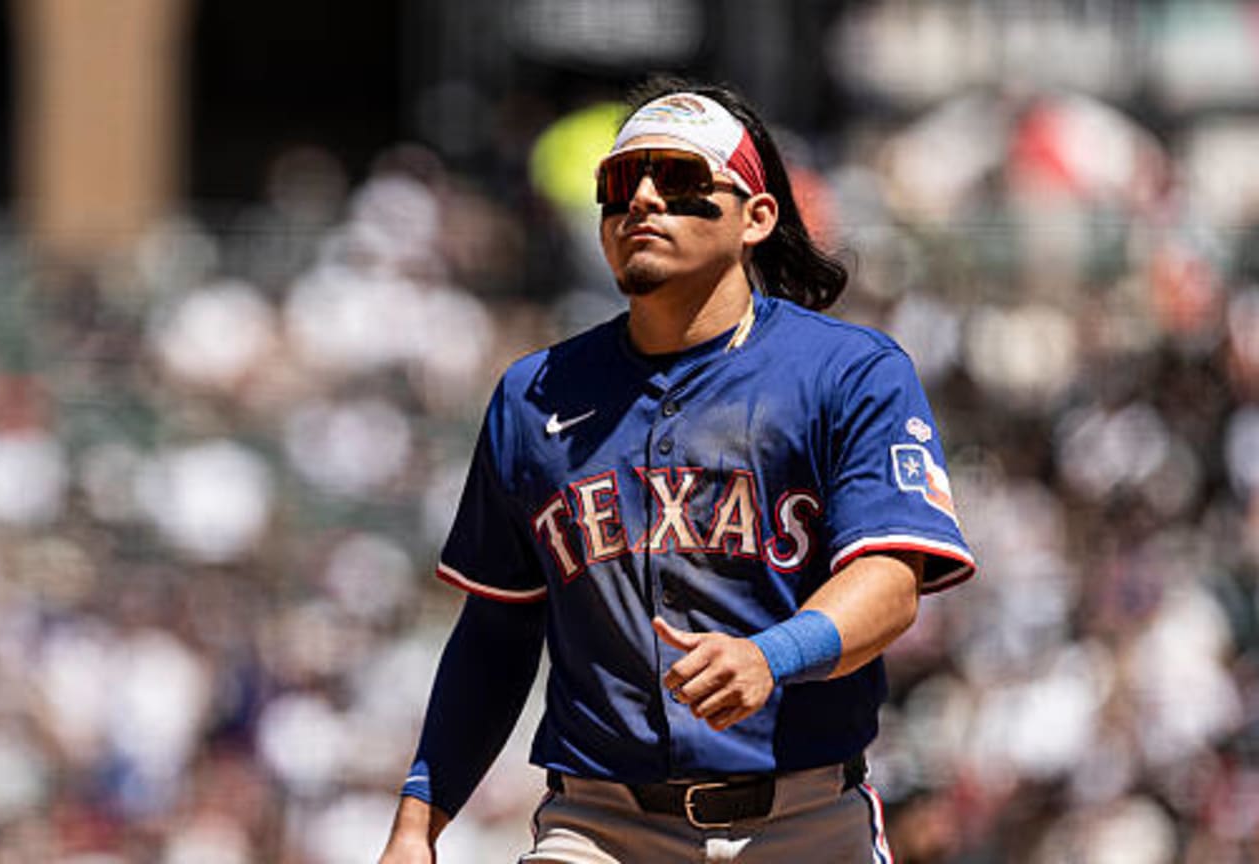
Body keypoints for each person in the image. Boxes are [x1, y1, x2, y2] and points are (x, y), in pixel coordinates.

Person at [378, 75, 975, 863]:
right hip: (599, 825)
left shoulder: (847, 371)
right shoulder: (535, 396)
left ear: (757, 217)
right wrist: (419, 822)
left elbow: (893, 582)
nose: (644, 201)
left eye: (683, 180)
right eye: (621, 183)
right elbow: (496, 629)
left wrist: (773, 654)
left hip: (801, 818)